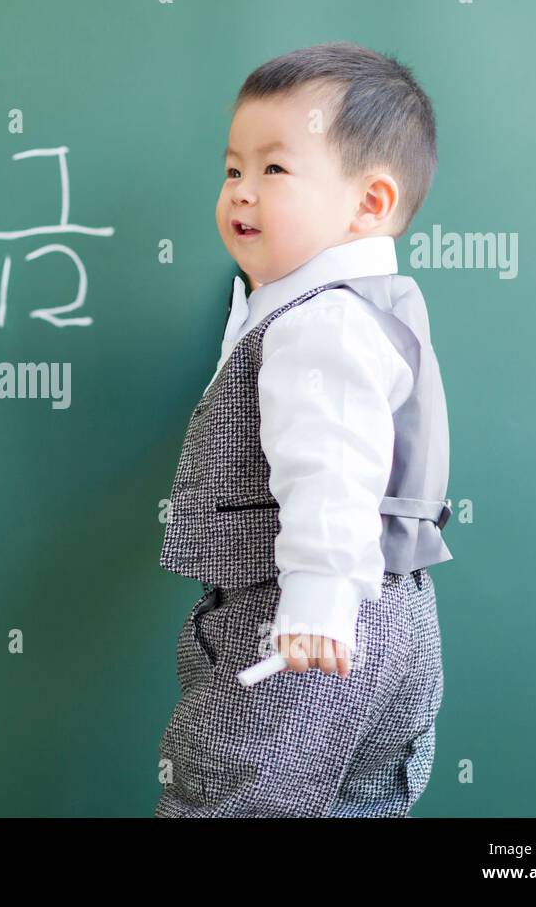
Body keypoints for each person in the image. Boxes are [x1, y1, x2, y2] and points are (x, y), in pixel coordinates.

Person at [156, 41, 453, 817]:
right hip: (397, 617)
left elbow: (332, 465)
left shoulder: (315, 323)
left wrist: (319, 597)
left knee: (231, 800)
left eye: (274, 170)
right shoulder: (359, 304)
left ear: (371, 203)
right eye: (232, 170)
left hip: (300, 619)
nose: (241, 194)